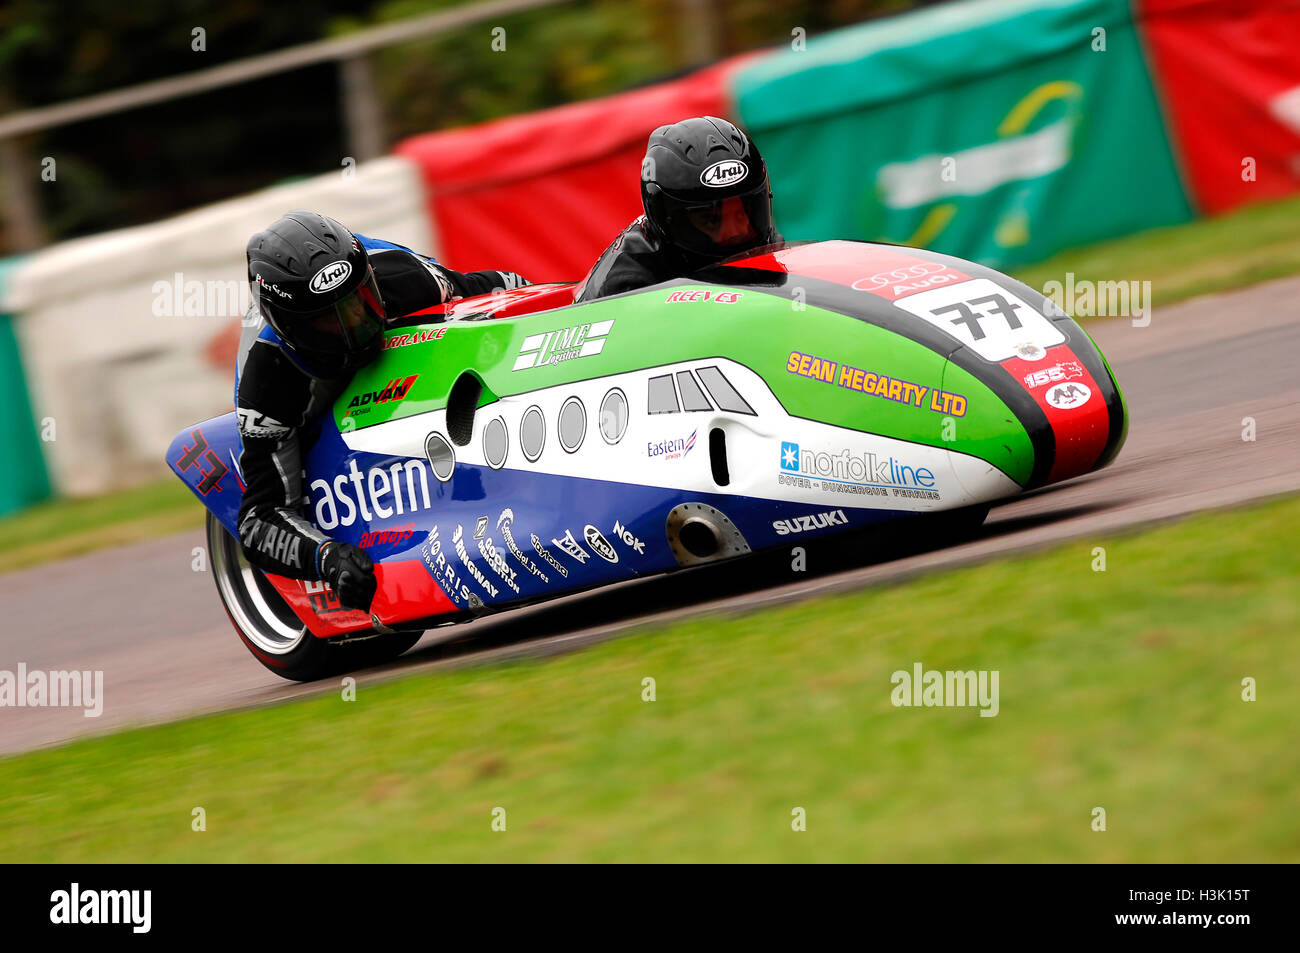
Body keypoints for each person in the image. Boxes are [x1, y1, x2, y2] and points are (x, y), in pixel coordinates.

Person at [237, 210, 529, 611]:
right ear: (291, 327)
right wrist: (327, 557)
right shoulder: (267, 380)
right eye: (328, 322)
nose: (355, 326)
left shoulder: (408, 280)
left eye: (360, 303)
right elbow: (257, 521)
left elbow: (506, 288)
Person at [574, 116, 781, 303]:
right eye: (711, 220)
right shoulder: (627, 286)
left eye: (744, 211)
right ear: (668, 220)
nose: (736, 232)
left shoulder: (759, 240)